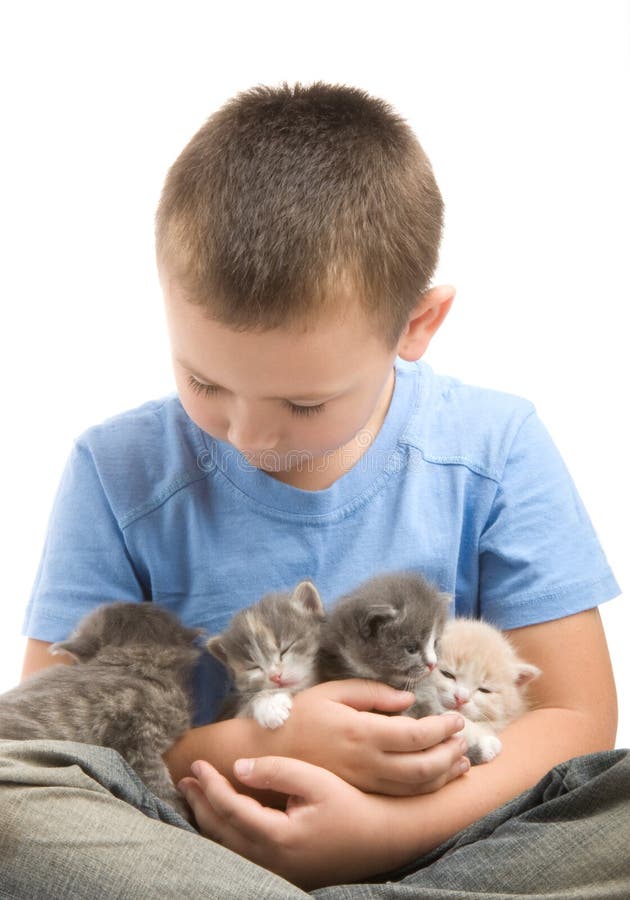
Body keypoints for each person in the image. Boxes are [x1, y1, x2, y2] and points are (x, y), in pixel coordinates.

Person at [1, 82, 627, 899]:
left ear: (416, 326)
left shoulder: (493, 446)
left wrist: (387, 830)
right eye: (203, 380)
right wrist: (255, 749)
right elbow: (49, 743)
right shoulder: (116, 467)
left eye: (303, 404)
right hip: (186, 837)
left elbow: (578, 721)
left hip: (458, 834)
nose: (250, 436)